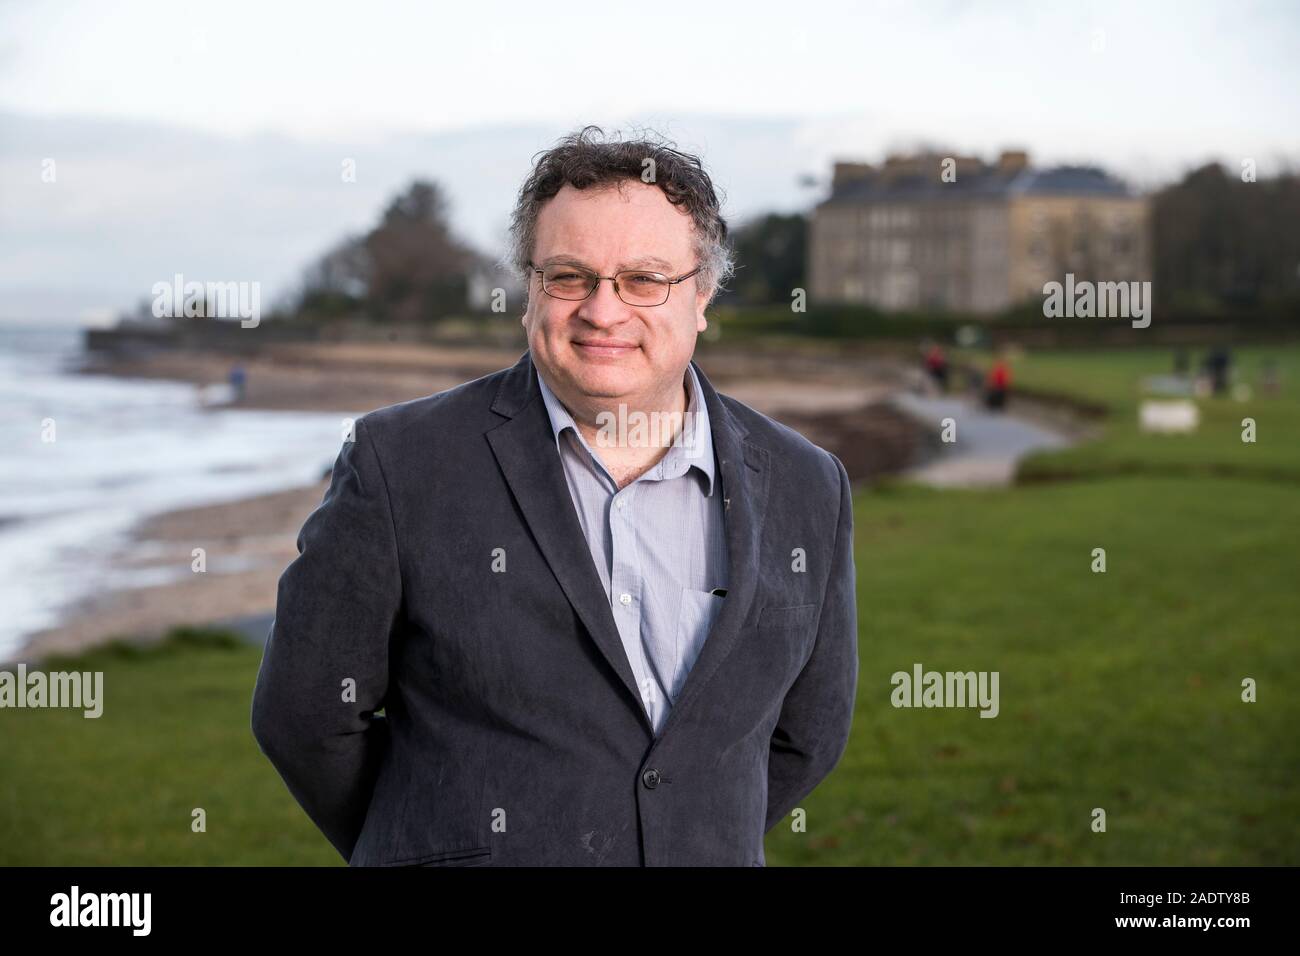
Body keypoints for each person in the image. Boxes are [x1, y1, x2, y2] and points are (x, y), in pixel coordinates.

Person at [250, 127, 859, 867]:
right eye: (570, 276)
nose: (604, 311)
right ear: (530, 288)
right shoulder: (399, 464)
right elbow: (306, 714)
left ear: (701, 295)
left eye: (644, 280)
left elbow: (808, 732)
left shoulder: (808, 484)